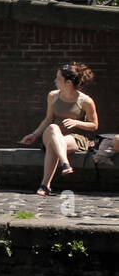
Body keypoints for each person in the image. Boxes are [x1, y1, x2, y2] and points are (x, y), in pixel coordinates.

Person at [20, 62, 98, 196]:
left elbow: (94, 125)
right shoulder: (53, 96)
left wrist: (77, 123)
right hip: (51, 134)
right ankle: (65, 163)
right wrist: (35, 134)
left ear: (68, 83)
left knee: (54, 144)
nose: (55, 81)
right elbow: (48, 119)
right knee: (53, 127)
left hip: (73, 138)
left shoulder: (85, 101)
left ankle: (45, 185)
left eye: (58, 78)